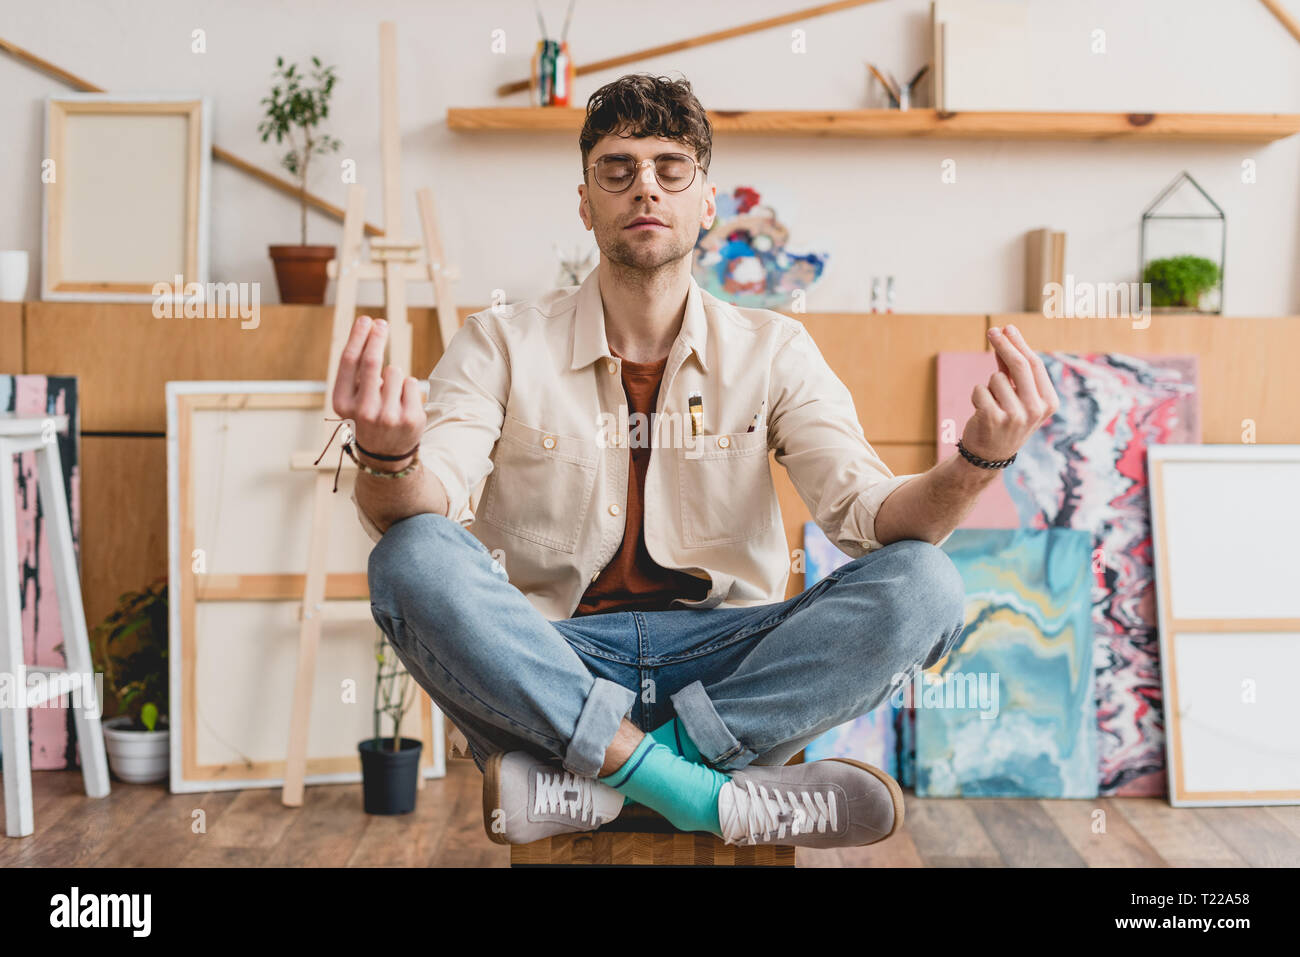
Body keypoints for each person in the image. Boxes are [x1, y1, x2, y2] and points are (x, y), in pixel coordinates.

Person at [333, 73, 1059, 849]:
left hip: (729, 665)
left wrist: (979, 459)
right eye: (618, 168)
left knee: (927, 583)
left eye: (669, 167)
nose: (644, 184)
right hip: (554, 660)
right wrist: (389, 455)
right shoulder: (500, 342)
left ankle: (611, 780)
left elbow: (874, 521)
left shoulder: (776, 348)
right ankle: (709, 792)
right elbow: (420, 502)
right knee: (411, 555)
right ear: (585, 203)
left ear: (706, 201)